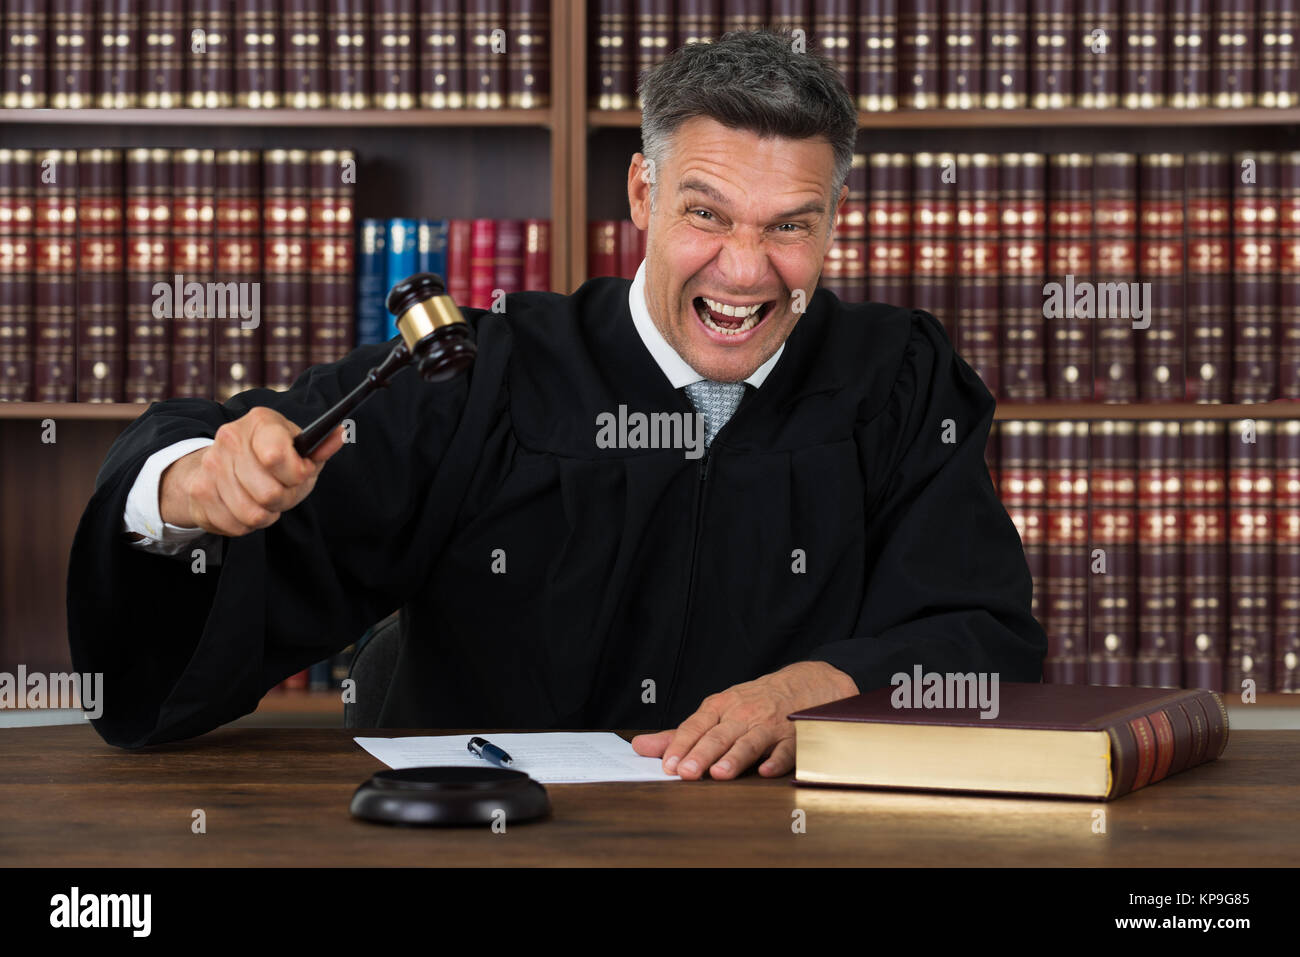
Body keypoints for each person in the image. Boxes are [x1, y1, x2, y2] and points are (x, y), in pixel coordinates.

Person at [67, 30, 1045, 778]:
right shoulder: (487, 376)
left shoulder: (897, 380)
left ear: (833, 220)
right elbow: (258, 472)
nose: (746, 270)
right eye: (704, 213)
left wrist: (818, 693)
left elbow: (981, 633)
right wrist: (183, 492)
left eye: (789, 226)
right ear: (640, 193)